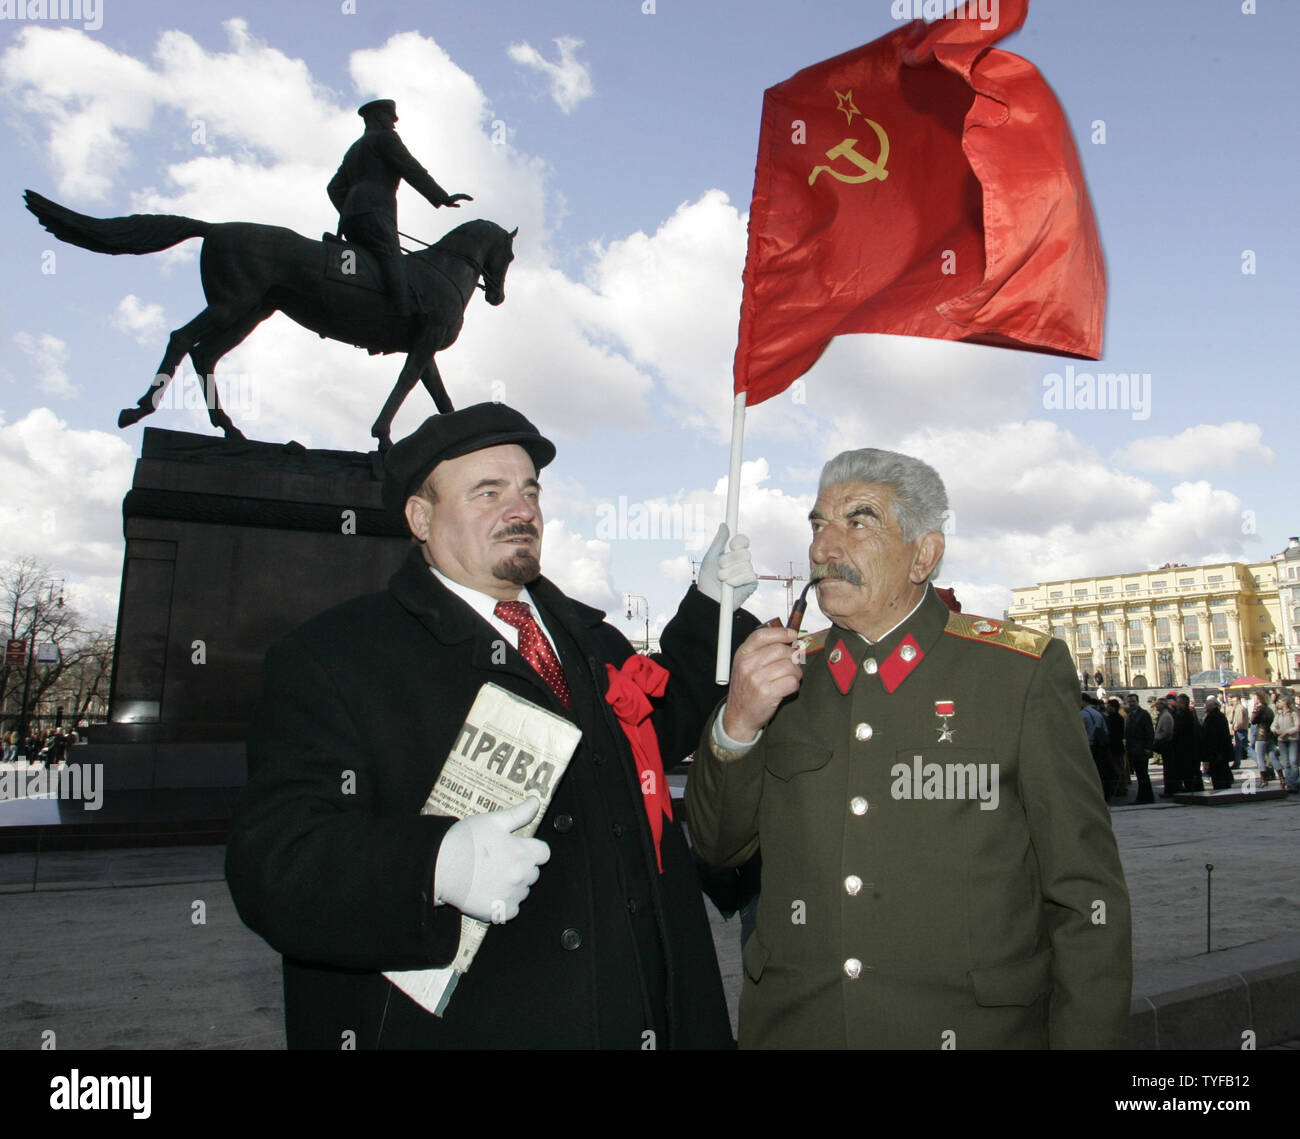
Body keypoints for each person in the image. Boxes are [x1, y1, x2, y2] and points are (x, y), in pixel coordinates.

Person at [226, 403, 761, 1049]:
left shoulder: (590, 638)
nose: (522, 508)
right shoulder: (335, 658)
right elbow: (274, 865)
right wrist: (432, 864)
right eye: (489, 491)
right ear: (420, 517)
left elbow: (661, 725)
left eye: (529, 489)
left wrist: (711, 606)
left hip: (650, 1012)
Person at [686, 447, 1132, 1049]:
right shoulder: (782, 676)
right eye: (817, 525)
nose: (823, 548)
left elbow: (1085, 896)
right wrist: (736, 722)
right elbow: (718, 844)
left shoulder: (1016, 675)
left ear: (924, 554)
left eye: (858, 521)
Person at [327, 99, 473, 313]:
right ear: (378, 117)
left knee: (365, 262)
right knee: (392, 257)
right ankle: (402, 312)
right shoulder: (386, 138)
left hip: (351, 218)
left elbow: (333, 188)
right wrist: (442, 197)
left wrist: (350, 209)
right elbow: (411, 169)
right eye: (390, 118)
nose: (393, 124)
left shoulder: (354, 148)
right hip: (376, 211)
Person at [1123, 692, 1155, 804]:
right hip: (1133, 749)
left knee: (1143, 774)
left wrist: (1147, 747)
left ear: (1137, 702)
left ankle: (1145, 797)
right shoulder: (1131, 715)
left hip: (1141, 749)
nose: (1131, 704)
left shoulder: (1143, 714)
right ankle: (1145, 796)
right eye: (1130, 702)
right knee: (1140, 774)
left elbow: (1149, 732)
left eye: (1133, 701)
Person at [1200, 696, 1235, 790]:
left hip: (1217, 751)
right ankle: (1224, 785)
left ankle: (1222, 788)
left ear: (1213, 706)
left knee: (1219, 773)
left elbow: (1212, 736)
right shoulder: (1217, 715)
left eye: (1207, 706)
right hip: (1220, 750)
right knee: (1221, 771)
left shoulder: (1214, 716)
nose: (1205, 707)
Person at [1274, 696, 1299, 794]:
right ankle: (1289, 784)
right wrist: (1276, 731)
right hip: (1282, 740)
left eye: (1280, 701)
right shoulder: (1279, 714)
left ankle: (1295, 785)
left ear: (1286, 702)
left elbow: (1297, 726)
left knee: (1293, 762)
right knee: (1286, 763)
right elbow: (1273, 725)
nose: (1279, 703)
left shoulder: (1293, 713)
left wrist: (1287, 732)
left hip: (1293, 739)